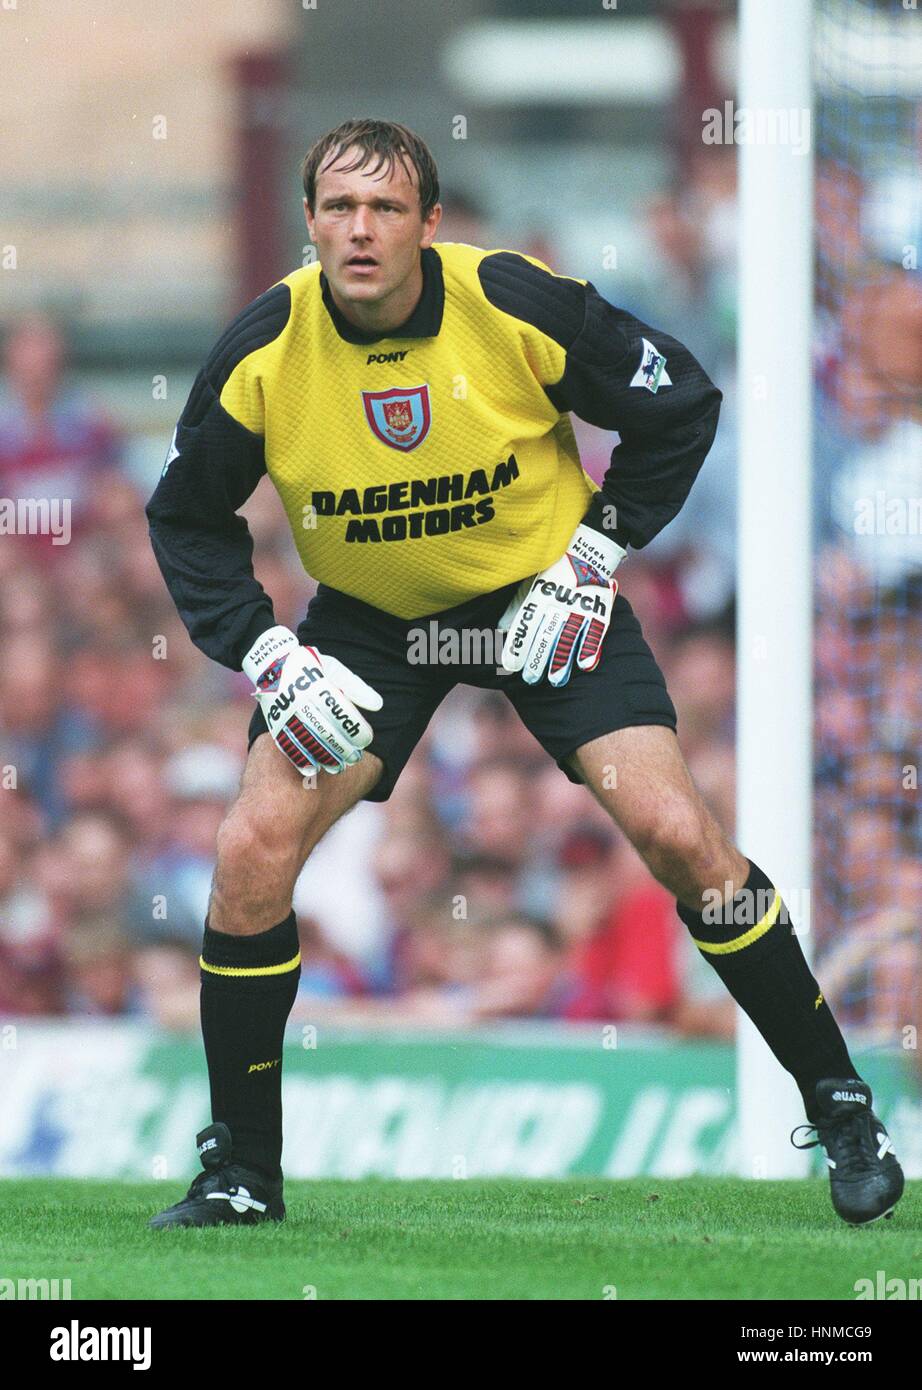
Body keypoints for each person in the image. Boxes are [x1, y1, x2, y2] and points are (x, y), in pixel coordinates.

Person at [144, 118, 903, 1229]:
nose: (361, 229)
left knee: (680, 835)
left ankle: (841, 1108)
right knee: (249, 845)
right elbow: (187, 518)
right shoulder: (264, 344)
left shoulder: (515, 297)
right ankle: (243, 1172)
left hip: (546, 594)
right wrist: (264, 650)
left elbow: (679, 398)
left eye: (387, 208)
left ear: (429, 223)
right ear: (310, 224)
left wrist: (596, 551)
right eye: (340, 209)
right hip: (372, 619)